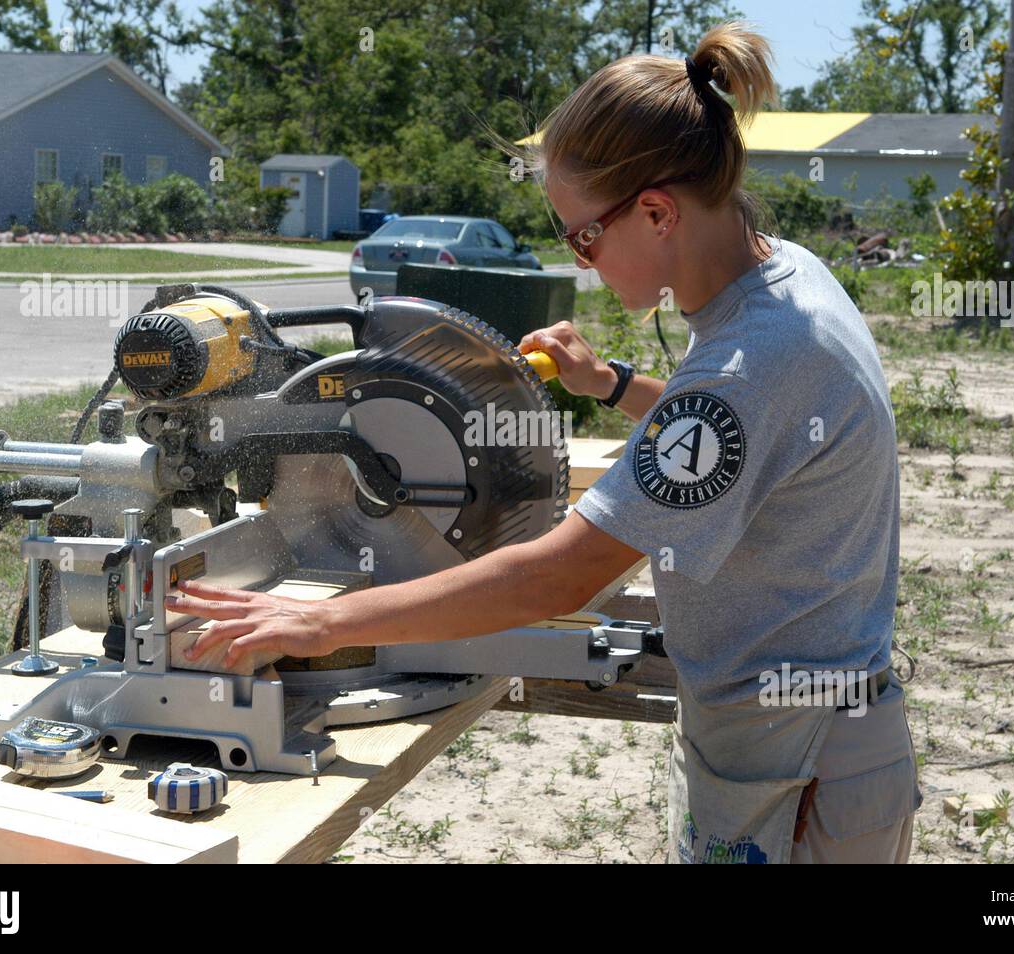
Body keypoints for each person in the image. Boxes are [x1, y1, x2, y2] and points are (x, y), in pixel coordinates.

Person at [165, 20, 922, 864]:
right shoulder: (785, 280)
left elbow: (555, 574)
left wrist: (322, 622)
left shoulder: (751, 364)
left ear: (658, 211)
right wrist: (613, 386)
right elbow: (742, 434)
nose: (583, 262)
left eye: (581, 236)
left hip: (798, 771)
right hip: (796, 737)